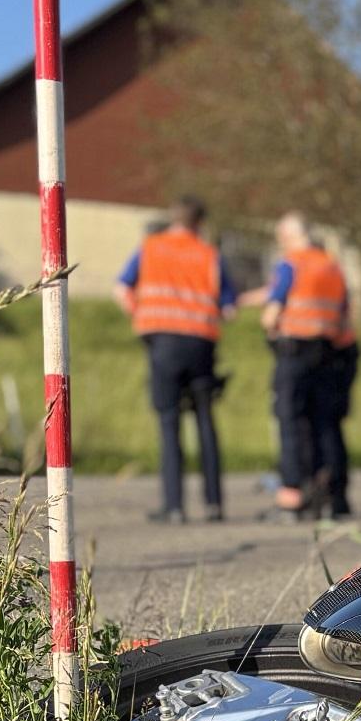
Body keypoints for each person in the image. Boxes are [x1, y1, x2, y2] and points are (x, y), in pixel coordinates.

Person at [116, 195, 233, 523]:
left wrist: (141, 317)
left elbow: (122, 289)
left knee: (169, 422)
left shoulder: (150, 248)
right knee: (205, 419)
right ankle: (214, 504)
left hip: (163, 343)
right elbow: (229, 307)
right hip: (201, 344)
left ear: (173, 218)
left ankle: (174, 506)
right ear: (200, 222)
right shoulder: (210, 254)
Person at [238, 211, 355, 522]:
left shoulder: (291, 263)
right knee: (325, 424)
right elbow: (345, 317)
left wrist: (269, 329)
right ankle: (332, 495)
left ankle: (291, 497)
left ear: (290, 236)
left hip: (294, 352)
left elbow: (272, 311)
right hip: (328, 352)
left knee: (290, 422)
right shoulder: (332, 265)